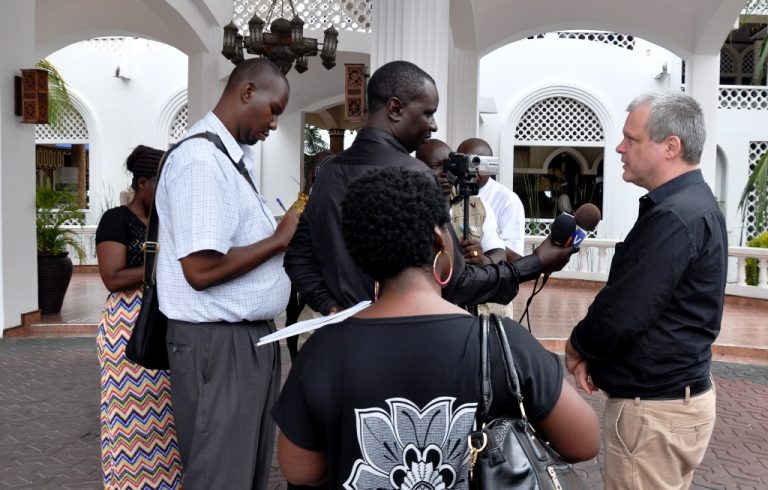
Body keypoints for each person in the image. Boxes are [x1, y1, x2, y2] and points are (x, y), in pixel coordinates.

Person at [272, 166, 600, 488]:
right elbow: (584, 442)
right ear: (439, 239)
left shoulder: (324, 349)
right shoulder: (502, 343)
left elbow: (300, 470)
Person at [284, 60, 573, 316]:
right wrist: (535, 263)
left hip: (344, 342)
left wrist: (330, 305)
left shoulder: (327, 174)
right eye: (428, 113)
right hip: (401, 342)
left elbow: (297, 258)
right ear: (395, 108)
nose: (433, 126)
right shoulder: (415, 176)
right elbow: (456, 283)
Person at [565, 90, 727, 490]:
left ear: (671, 146)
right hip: (679, 402)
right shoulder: (697, 204)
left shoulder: (675, 216)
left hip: (655, 412)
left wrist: (578, 347)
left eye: (632, 139)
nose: (619, 148)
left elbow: (623, 313)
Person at [154, 58, 300, 490]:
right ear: (248, 91)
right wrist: (278, 239)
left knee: (244, 471)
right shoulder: (201, 160)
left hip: (245, 340)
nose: (275, 123)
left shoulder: (229, 158)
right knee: (221, 474)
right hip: (218, 344)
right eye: (274, 109)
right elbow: (200, 270)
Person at [95, 145, 182, 489]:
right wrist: (163, 264)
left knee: (166, 420)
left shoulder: (168, 221)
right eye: (164, 183)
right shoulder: (116, 220)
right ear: (143, 183)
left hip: (165, 319)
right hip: (126, 327)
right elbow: (112, 277)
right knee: (131, 422)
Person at [416, 138, 506, 265]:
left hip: (466, 283)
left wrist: (484, 260)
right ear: (416, 168)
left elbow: (500, 255)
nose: (445, 172)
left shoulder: (477, 207)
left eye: (450, 165)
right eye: (435, 166)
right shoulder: (409, 208)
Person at [457, 137, 526, 260]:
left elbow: (515, 255)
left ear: (490, 165)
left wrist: (483, 249)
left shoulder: (507, 200)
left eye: (477, 162)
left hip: (489, 275)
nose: (472, 169)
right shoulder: (447, 192)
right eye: (465, 162)